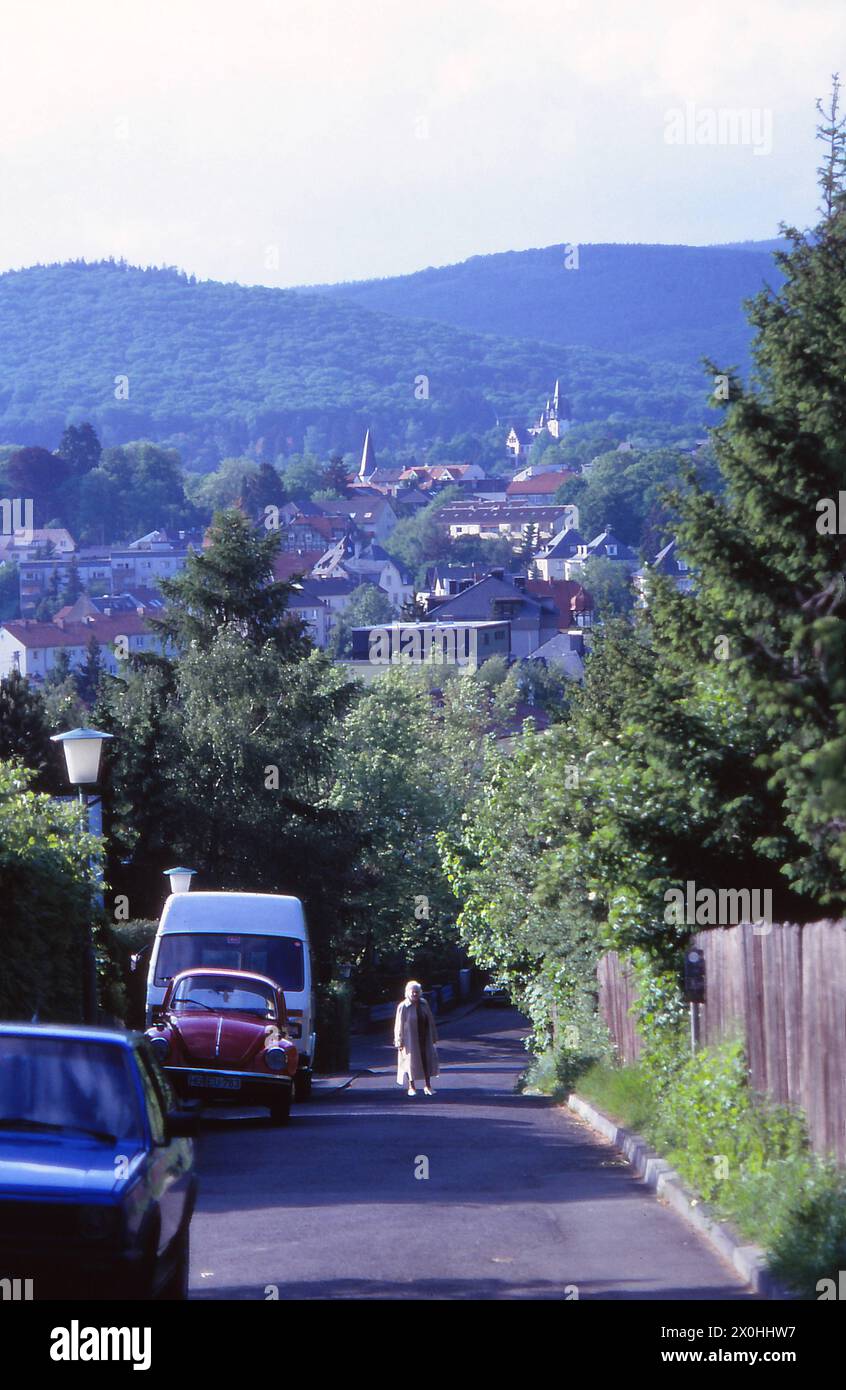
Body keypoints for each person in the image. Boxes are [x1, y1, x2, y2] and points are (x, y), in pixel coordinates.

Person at [394, 980, 439, 1097]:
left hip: (425, 1037)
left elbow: (430, 1019)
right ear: (407, 992)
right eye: (413, 992)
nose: (415, 994)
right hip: (410, 1040)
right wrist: (399, 1040)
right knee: (410, 1063)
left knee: (427, 1061)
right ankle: (411, 1087)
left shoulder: (424, 1003)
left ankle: (428, 1086)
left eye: (417, 992)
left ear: (420, 992)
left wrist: (434, 1036)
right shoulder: (403, 1006)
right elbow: (398, 1024)